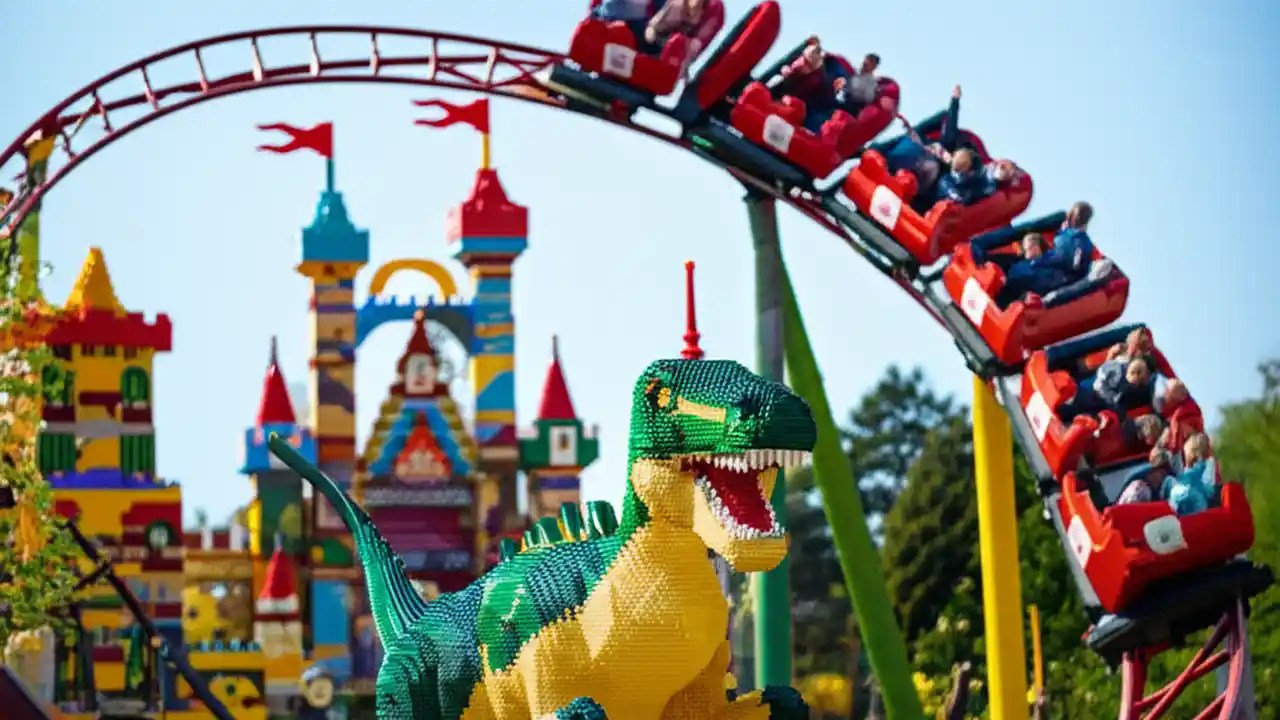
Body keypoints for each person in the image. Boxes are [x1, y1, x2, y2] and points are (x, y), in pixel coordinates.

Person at [995, 201, 1096, 304]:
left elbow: (1059, 259)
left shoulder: (1069, 239)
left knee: (1017, 273)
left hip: (1042, 277)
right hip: (1050, 277)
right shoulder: (1081, 242)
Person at [1059, 355, 1155, 421]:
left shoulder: (1130, 387)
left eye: (1141, 379)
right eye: (1138, 372)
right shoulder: (1117, 367)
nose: (1137, 378)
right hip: (1086, 392)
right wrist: (1112, 400)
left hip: (1095, 405)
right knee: (1065, 407)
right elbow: (1099, 384)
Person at [1161, 433, 1217, 516]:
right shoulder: (1209, 465)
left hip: (1182, 494)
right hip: (1198, 503)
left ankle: (1163, 501)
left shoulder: (1190, 469)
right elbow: (1209, 490)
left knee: (1168, 481)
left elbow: (1182, 474)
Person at [645, 0, 715, 60]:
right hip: (662, 41)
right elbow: (653, 28)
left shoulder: (704, 10)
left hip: (683, 45)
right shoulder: (676, 6)